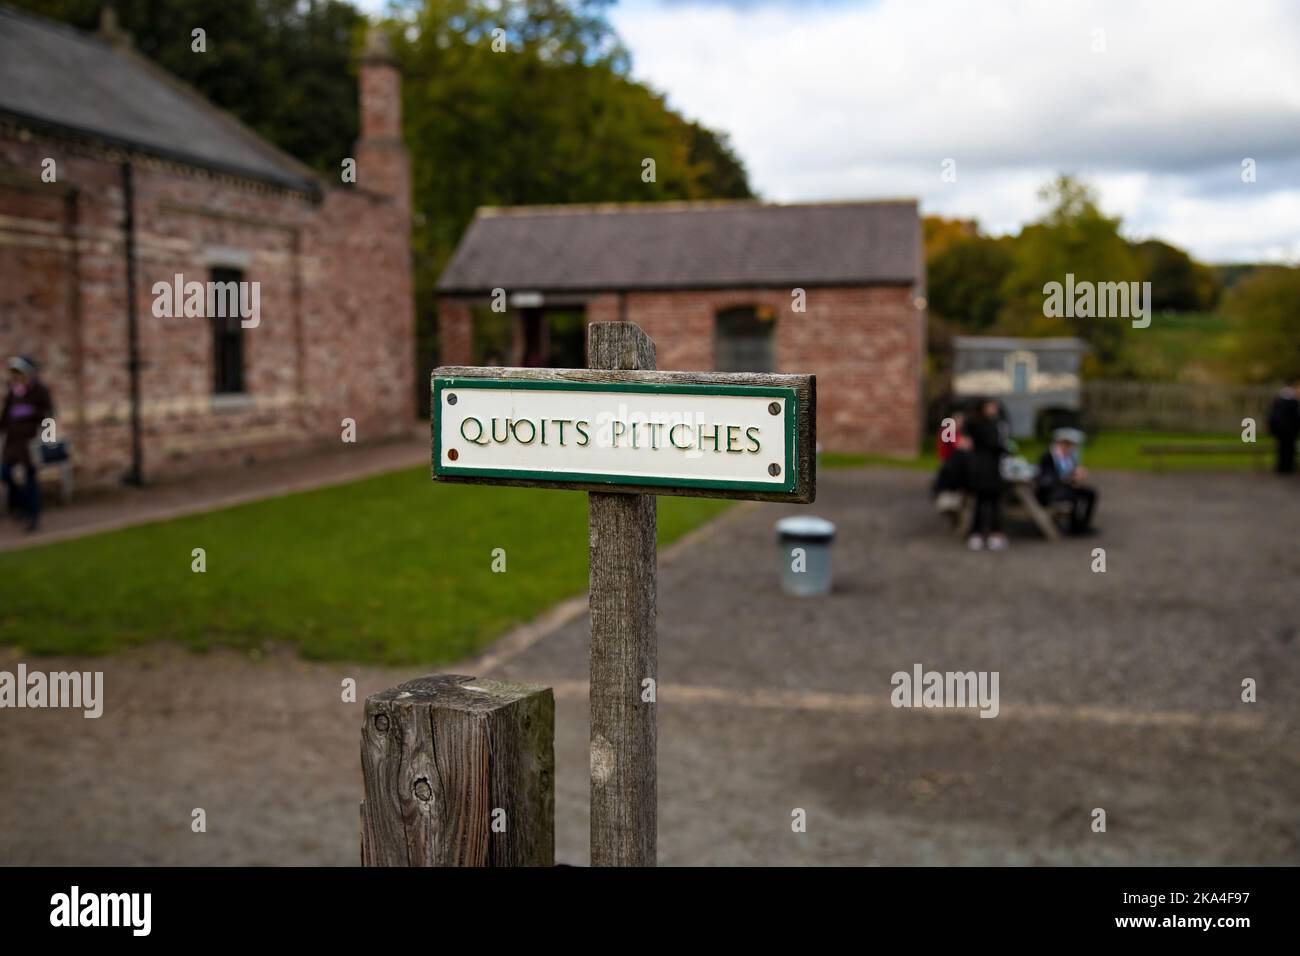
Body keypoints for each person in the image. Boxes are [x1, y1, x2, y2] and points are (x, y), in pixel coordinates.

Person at [2, 355, 53, 532]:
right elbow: (5, 415)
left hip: (29, 443)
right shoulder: (14, 391)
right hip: (12, 443)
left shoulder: (39, 391)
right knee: (5, 473)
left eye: (20, 372)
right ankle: (19, 505)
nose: (17, 376)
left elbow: (48, 416)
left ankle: (32, 518)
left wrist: (48, 441)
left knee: (30, 479)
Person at [963, 398, 1008, 551]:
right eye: (990, 406)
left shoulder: (998, 423)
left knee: (993, 502)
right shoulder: (980, 424)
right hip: (983, 467)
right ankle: (978, 534)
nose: (993, 409)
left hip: (992, 467)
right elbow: (994, 444)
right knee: (981, 501)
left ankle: (993, 534)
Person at [1035, 428, 1098, 534]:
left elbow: (1070, 472)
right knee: (1073, 497)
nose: (1068, 447)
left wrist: (1077, 473)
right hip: (1052, 491)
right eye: (1065, 444)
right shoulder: (1048, 457)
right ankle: (1074, 528)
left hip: (1066, 486)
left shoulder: (1068, 456)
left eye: (1069, 445)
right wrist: (1070, 478)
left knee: (1091, 494)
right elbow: (1049, 478)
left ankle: (1083, 525)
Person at [1267, 382, 1300, 475]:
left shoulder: (1278, 403)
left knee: (1281, 449)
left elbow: (1272, 417)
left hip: (1280, 431)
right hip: (1290, 431)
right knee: (1289, 449)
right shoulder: (1294, 404)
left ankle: (1282, 467)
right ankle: (1288, 467)